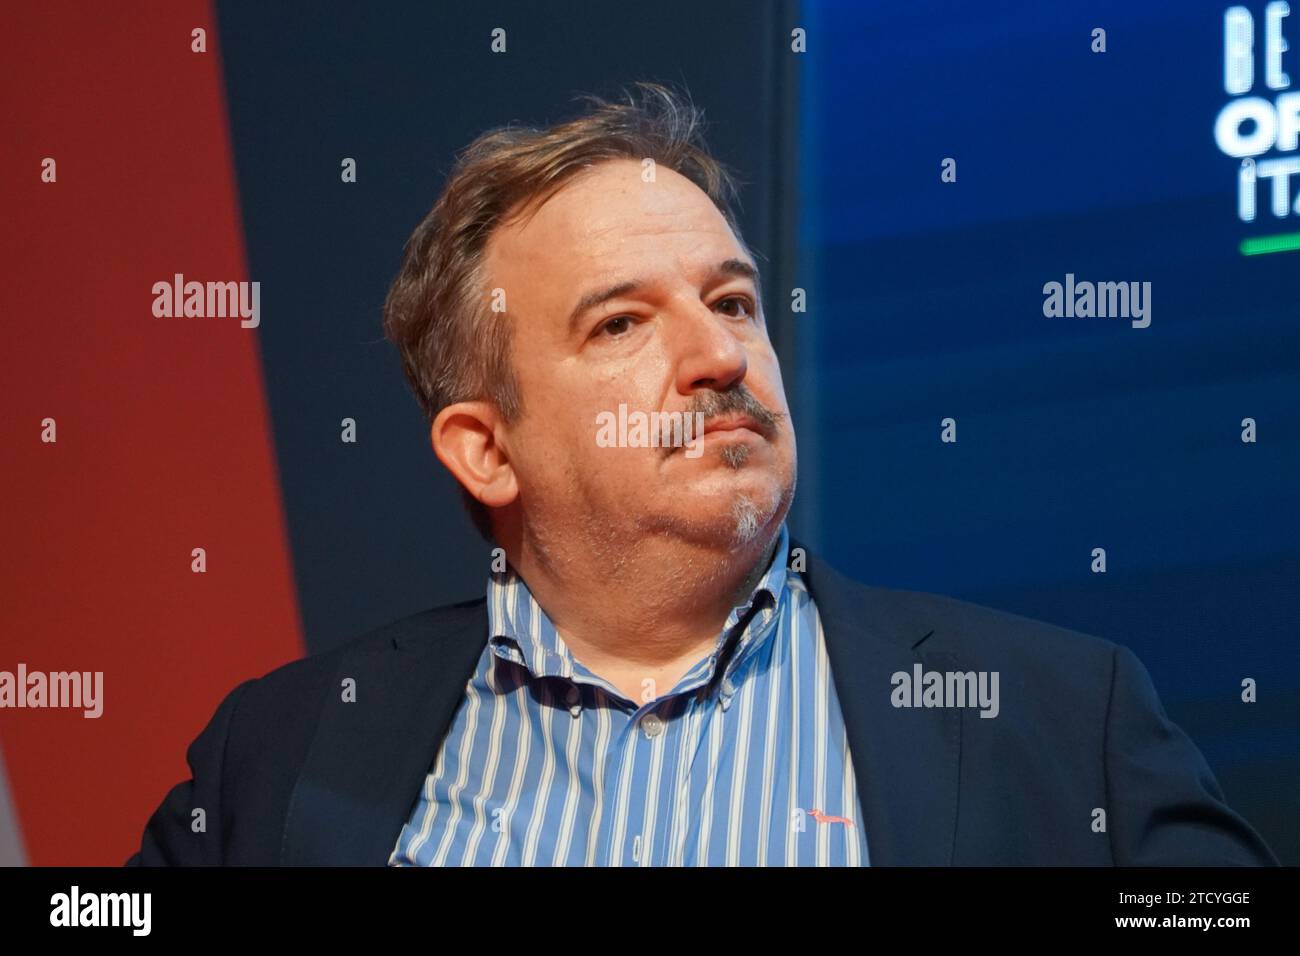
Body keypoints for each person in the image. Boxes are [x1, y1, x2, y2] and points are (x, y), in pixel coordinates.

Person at [126, 83, 1277, 866]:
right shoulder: (280, 753)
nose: (721, 355)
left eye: (731, 301)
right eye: (622, 322)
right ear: (485, 447)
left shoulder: (1064, 719)